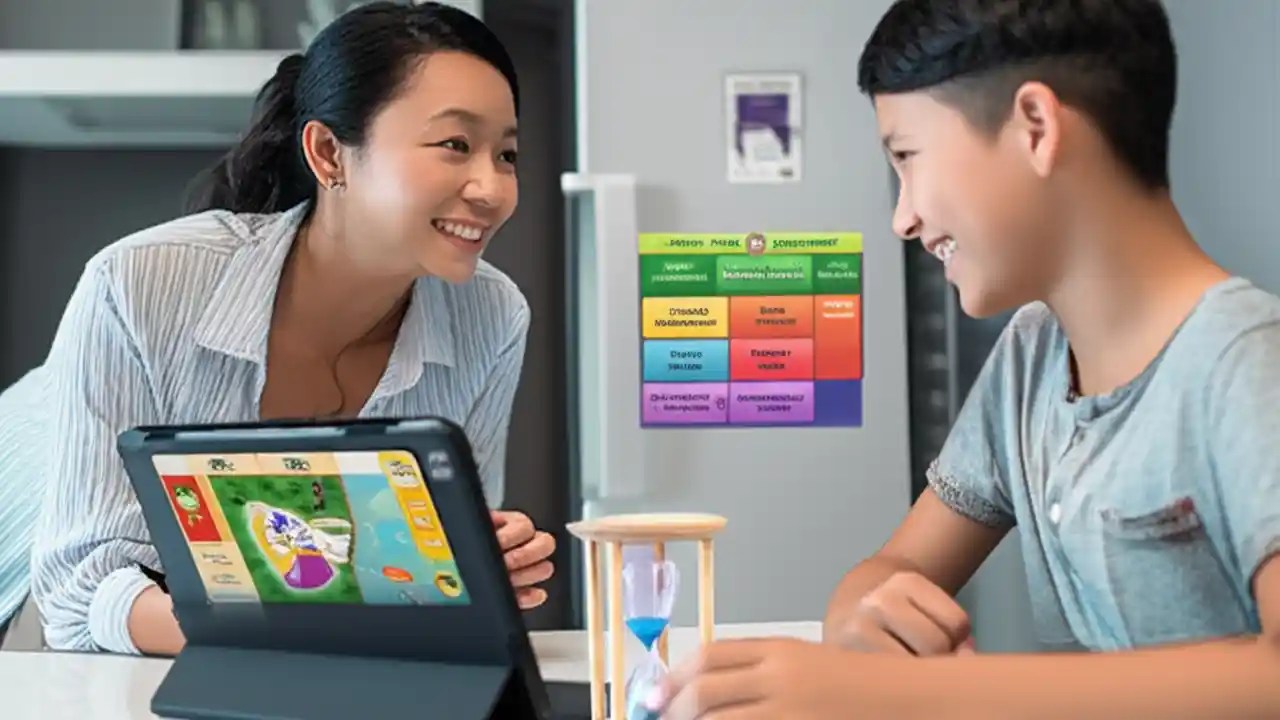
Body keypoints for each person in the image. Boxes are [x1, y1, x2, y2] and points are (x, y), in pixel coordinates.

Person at [648, 1, 1280, 717]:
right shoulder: (1033, 355)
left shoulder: (1246, 360)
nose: (903, 217)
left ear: (1035, 128)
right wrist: (862, 618)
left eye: (907, 158)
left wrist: (908, 694)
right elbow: (894, 567)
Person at [15, 1, 555, 656]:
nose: (492, 187)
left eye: (507, 154)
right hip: (40, 604)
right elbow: (76, 595)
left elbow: (420, 572)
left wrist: (476, 568)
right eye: (455, 145)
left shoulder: (492, 319)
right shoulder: (139, 283)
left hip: (258, 643)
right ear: (331, 153)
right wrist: (314, 626)